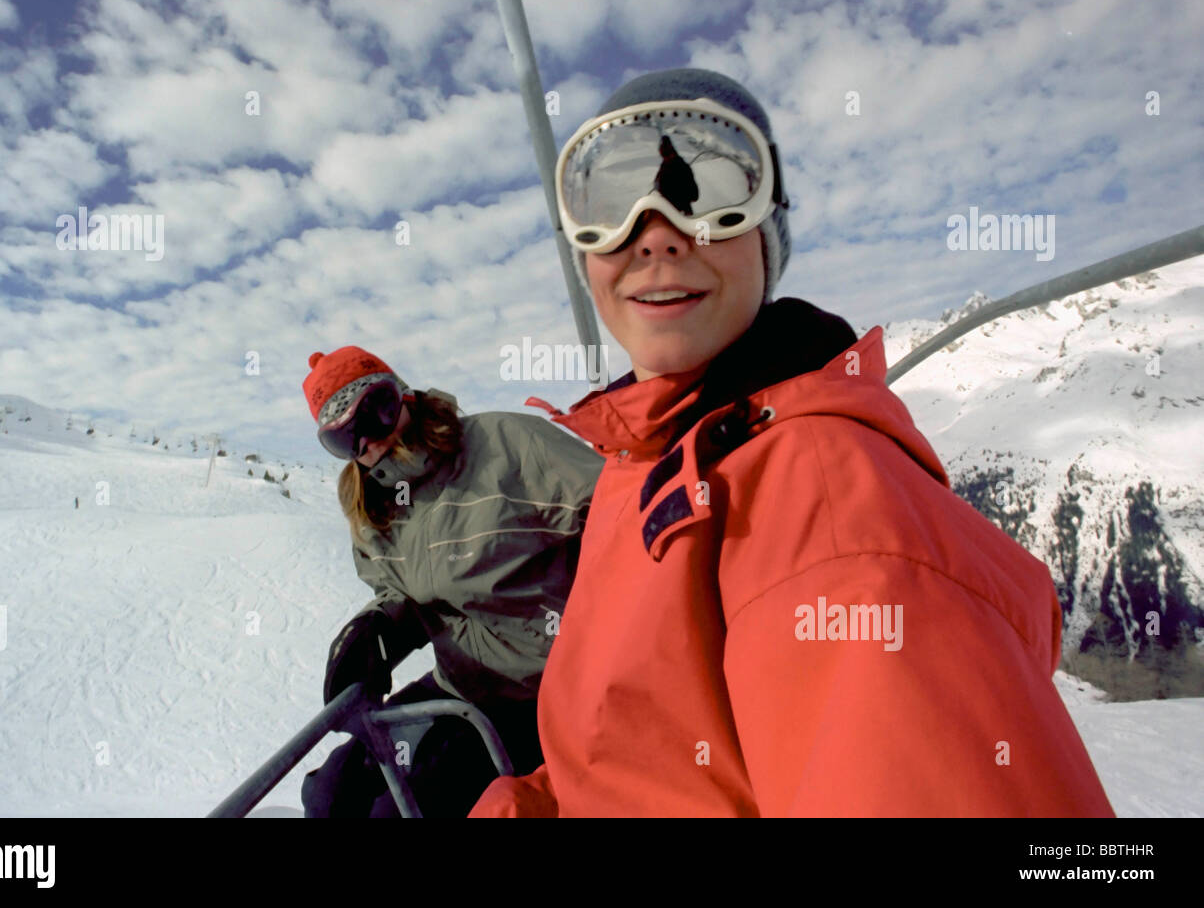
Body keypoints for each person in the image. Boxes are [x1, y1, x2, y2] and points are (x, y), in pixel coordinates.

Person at [469, 67, 1116, 817]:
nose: (654, 236)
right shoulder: (647, 456)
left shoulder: (829, 512)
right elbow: (621, 766)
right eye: (607, 202)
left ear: (770, 231)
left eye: (707, 194)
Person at [299, 345, 602, 817]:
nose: (370, 444)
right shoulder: (375, 508)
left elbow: (617, 514)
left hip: (545, 693)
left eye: (375, 413)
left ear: (403, 397)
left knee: (401, 809)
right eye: (346, 440)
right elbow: (399, 592)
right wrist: (378, 629)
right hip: (462, 687)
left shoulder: (507, 447)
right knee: (329, 794)